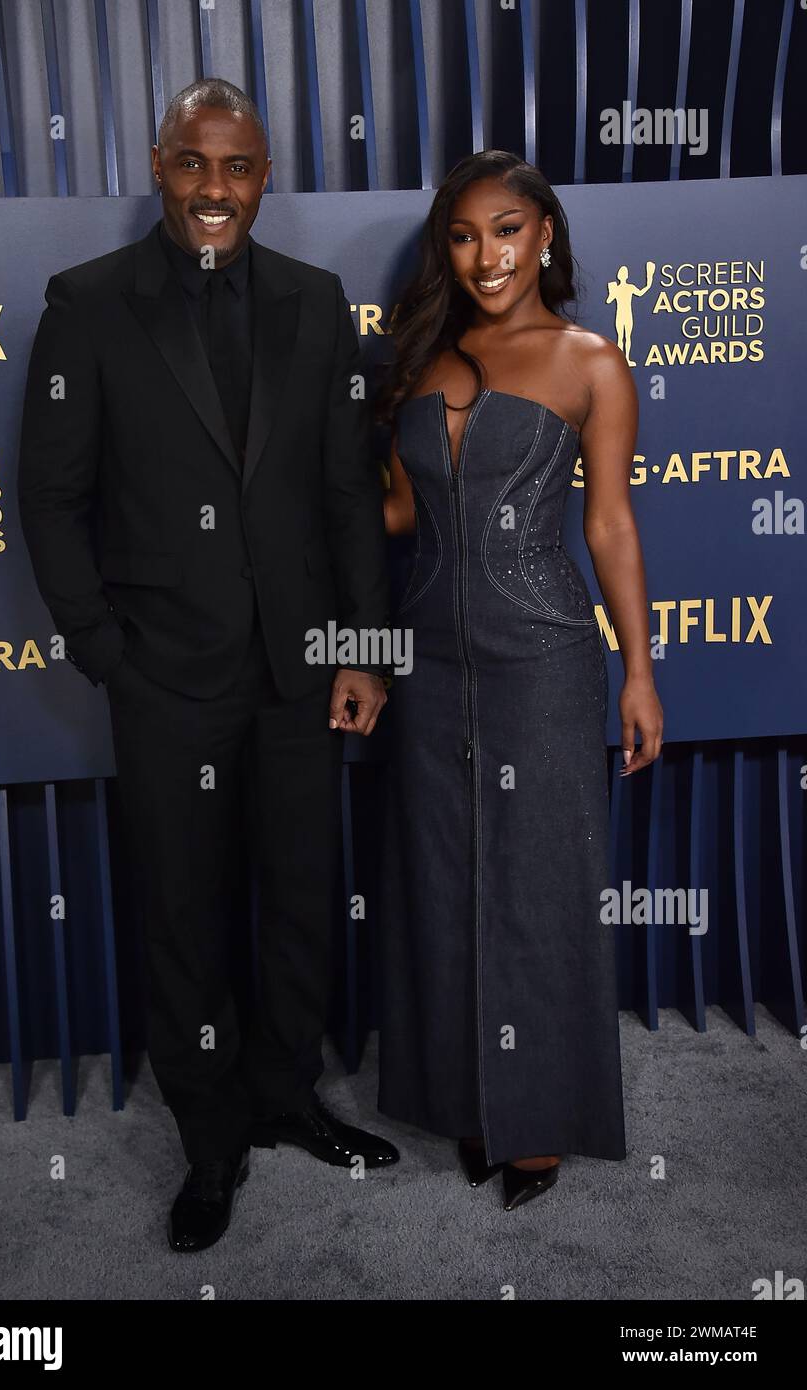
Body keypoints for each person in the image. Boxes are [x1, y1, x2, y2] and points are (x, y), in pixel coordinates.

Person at [17, 78, 398, 1253]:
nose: (215, 189)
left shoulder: (315, 300)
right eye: (194, 164)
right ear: (158, 164)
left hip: (298, 672)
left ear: (265, 174)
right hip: (164, 679)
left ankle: (286, 1096)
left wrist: (362, 650)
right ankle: (209, 1135)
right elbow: (50, 492)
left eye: (237, 168)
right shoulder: (86, 304)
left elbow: (345, 493)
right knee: (184, 916)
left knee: (294, 896)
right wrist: (103, 651)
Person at [375, 150, 663, 1211]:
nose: (484, 255)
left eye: (505, 229)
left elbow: (607, 523)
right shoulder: (419, 356)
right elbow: (401, 517)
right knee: (442, 879)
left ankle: (534, 1118)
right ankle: (467, 1095)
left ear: (543, 232)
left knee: (539, 888)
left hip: (542, 659)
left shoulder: (589, 361)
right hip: (427, 664)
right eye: (461, 235)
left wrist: (638, 672)